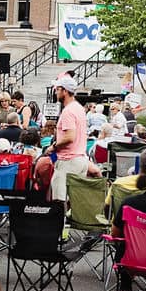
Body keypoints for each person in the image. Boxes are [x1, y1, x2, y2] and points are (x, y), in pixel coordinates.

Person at [49, 74, 87, 202]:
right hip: (80, 159)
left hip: (68, 161)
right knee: (75, 202)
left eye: (57, 89)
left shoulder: (68, 111)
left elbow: (70, 137)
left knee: (59, 201)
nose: (55, 91)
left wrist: (53, 146)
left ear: (65, 91)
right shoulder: (79, 108)